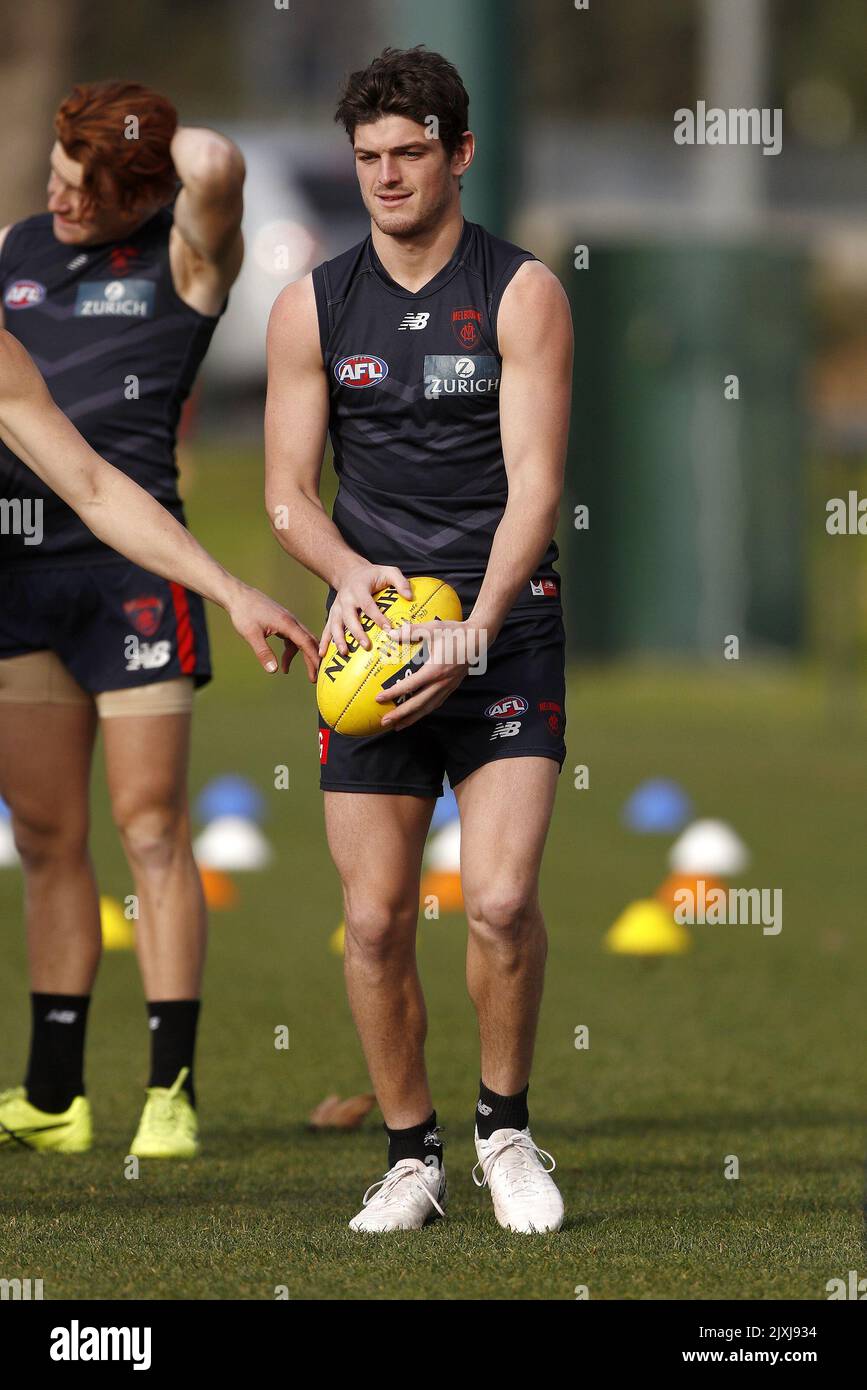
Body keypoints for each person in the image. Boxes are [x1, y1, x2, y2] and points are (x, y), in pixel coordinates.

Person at [265, 47, 573, 1232]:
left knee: (497, 901)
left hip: (506, 630)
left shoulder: (522, 290)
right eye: (368, 158)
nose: (388, 176)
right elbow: (289, 492)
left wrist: (479, 628)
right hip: (373, 648)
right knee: (380, 918)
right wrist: (346, 575)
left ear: (459, 153)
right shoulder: (314, 300)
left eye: (409, 153)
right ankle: (411, 1158)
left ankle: (506, 1132)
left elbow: (538, 488)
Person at [0, 80, 252, 1158]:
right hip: (19, 573)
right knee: (49, 836)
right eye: (54, 179)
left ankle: (171, 1087)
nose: (59, 202)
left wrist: (133, 141)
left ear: (137, 192)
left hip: (134, 572)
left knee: (150, 828)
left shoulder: (186, 256)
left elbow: (217, 165)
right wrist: (87, 150)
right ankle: (55, 1094)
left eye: (82, 189)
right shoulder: (14, 245)